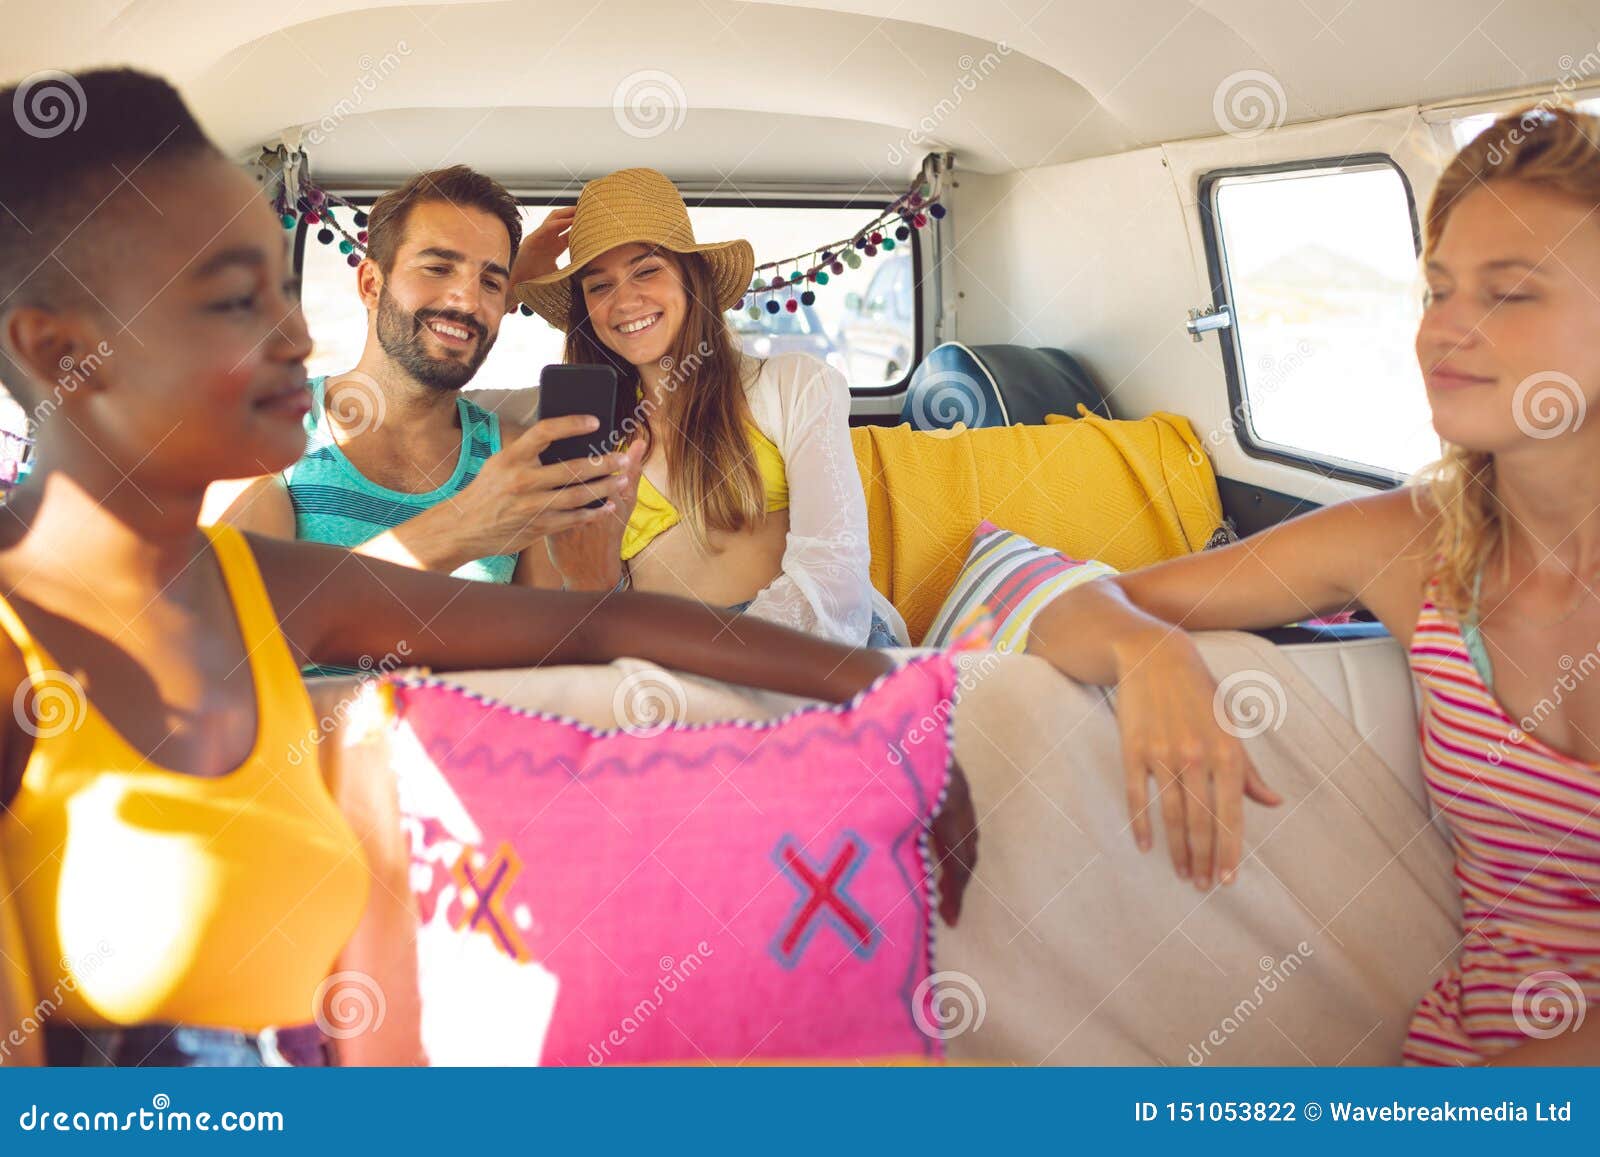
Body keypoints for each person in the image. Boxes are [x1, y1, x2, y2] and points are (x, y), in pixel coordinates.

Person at [0, 69, 975, 1067]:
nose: (297, 337)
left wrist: (891, 698)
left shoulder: (267, 579)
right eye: (233, 300)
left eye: (492, 280)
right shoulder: (70, 620)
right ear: (61, 349)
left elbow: (601, 627)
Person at [1028, 107, 1600, 1065]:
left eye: (1509, 295)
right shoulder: (1413, 543)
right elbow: (1068, 611)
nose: (1443, 330)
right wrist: (1148, 650)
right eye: (1438, 288)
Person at [511, 168, 903, 647]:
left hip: (804, 653)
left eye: (647, 270)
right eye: (599, 286)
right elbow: (433, 396)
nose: (625, 301)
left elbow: (832, 573)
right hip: (661, 669)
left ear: (690, 280)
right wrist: (509, 282)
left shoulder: (793, 384)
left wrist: (712, 665)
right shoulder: (584, 427)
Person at [204, 167, 637, 591]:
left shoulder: (517, 460)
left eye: (490, 281)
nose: (467, 300)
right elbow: (248, 632)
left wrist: (592, 573)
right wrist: (462, 525)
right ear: (372, 284)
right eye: (437, 268)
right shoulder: (268, 431)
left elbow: (552, 647)